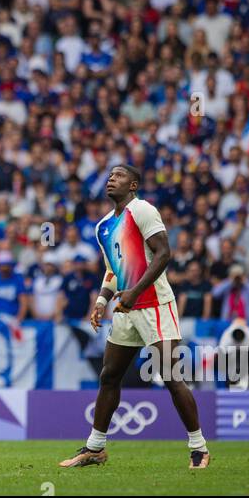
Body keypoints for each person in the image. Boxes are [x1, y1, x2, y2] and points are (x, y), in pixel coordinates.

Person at [60, 165, 210, 470]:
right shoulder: (103, 226)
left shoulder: (143, 210)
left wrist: (134, 292)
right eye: (109, 175)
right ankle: (95, 448)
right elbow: (113, 270)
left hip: (155, 304)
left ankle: (199, 448)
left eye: (119, 175)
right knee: (109, 376)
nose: (111, 179)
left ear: (133, 185)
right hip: (126, 310)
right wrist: (101, 300)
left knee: (170, 376)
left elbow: (164, 254)